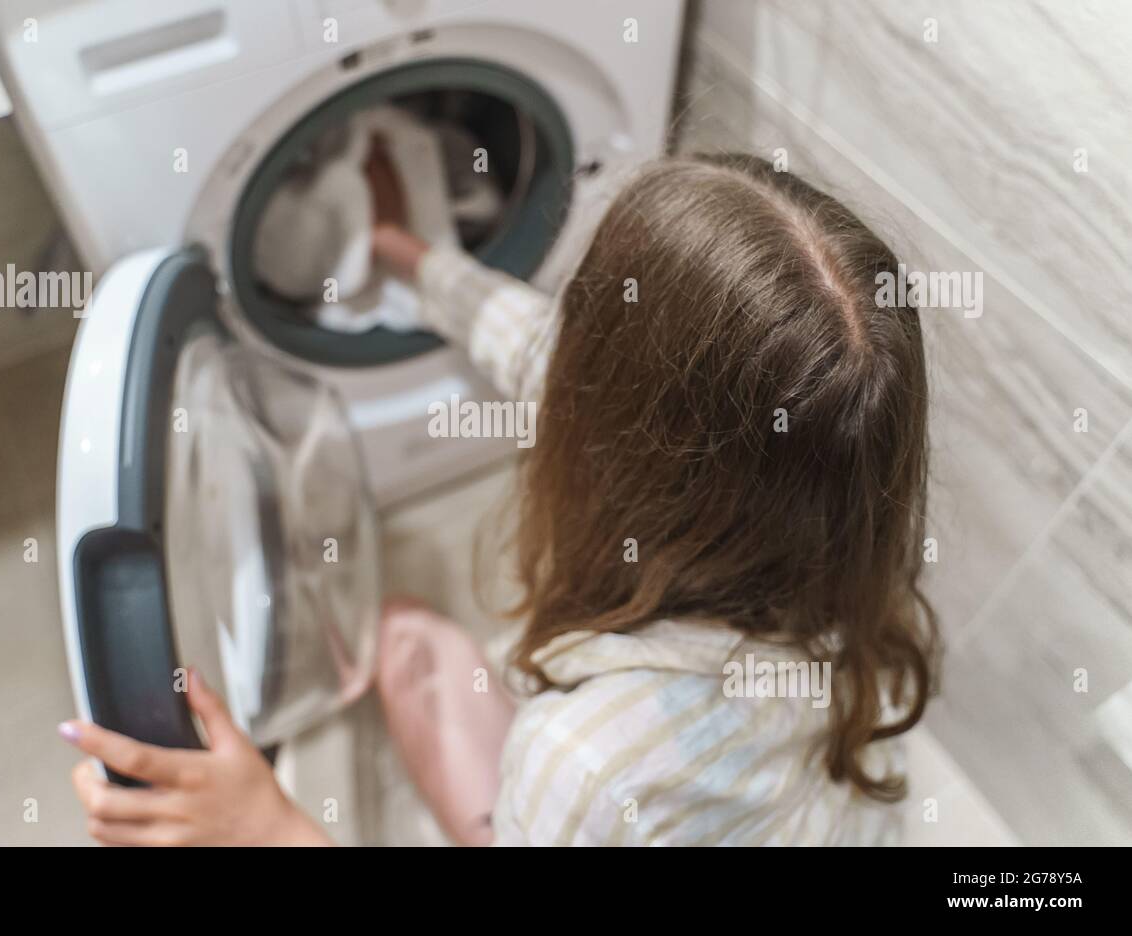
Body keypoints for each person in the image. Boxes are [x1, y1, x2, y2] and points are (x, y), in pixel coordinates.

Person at [61, 146, 938, 846]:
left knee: (404, 652)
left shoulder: (585, 761)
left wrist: (266, 829)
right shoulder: (846, 544)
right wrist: (408, 250)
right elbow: (536, 349)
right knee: (405, 642)